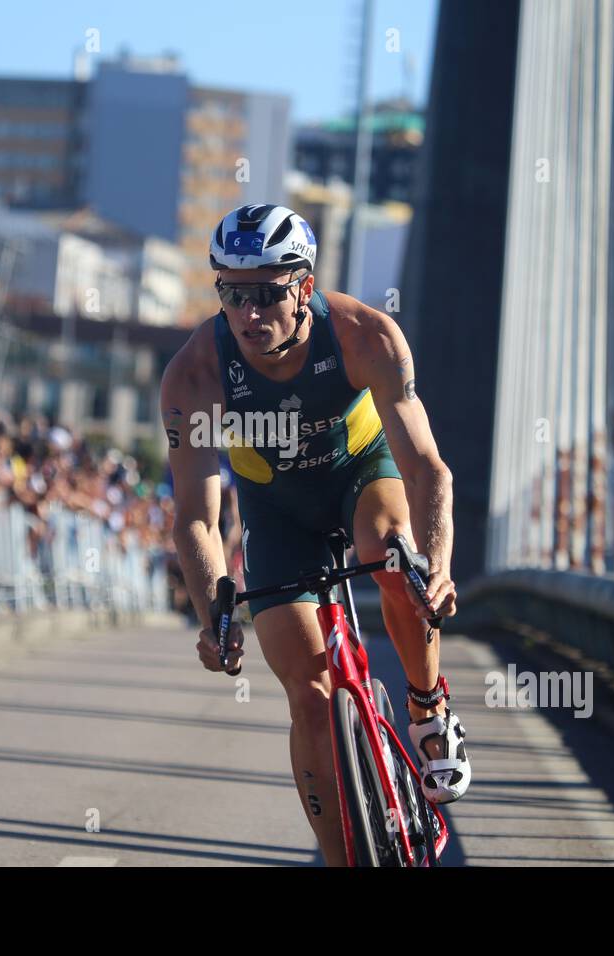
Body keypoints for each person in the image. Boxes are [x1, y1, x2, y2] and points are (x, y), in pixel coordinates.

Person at [160, 203, 470, 865]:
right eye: (233, 294)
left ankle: (426, 704)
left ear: (304, 286)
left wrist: (436, 560)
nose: (248, 313)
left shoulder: (363, 335)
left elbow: (427, 468)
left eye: (268, 294)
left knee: (387, 552)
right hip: (277, 512)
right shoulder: (197, 375)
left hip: (362, 473)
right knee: (308, 688)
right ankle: (337, 856)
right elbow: (194, 513)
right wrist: (212, 611)